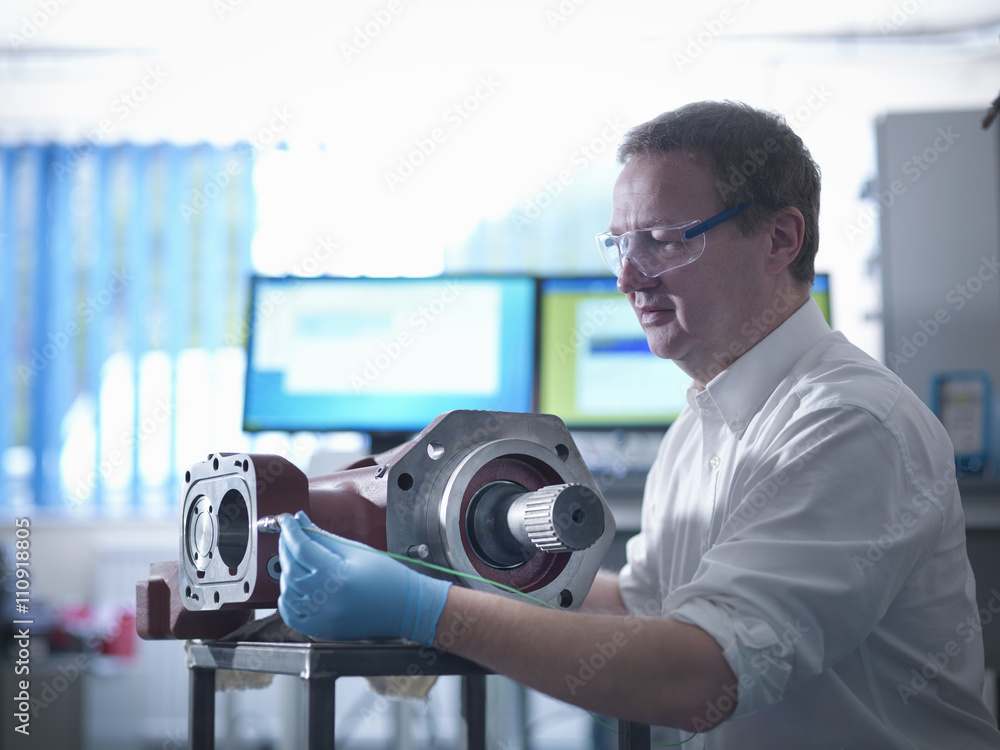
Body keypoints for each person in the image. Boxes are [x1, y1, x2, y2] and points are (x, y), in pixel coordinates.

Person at [277, 101, 1000, 747]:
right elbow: (643, 604)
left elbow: (701, 676)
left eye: (663, 237)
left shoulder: (848, 424)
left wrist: (428, 611)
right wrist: (437, 560)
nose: (628, 277)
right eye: (620, 243)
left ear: (780, 239)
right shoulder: (704, 419)